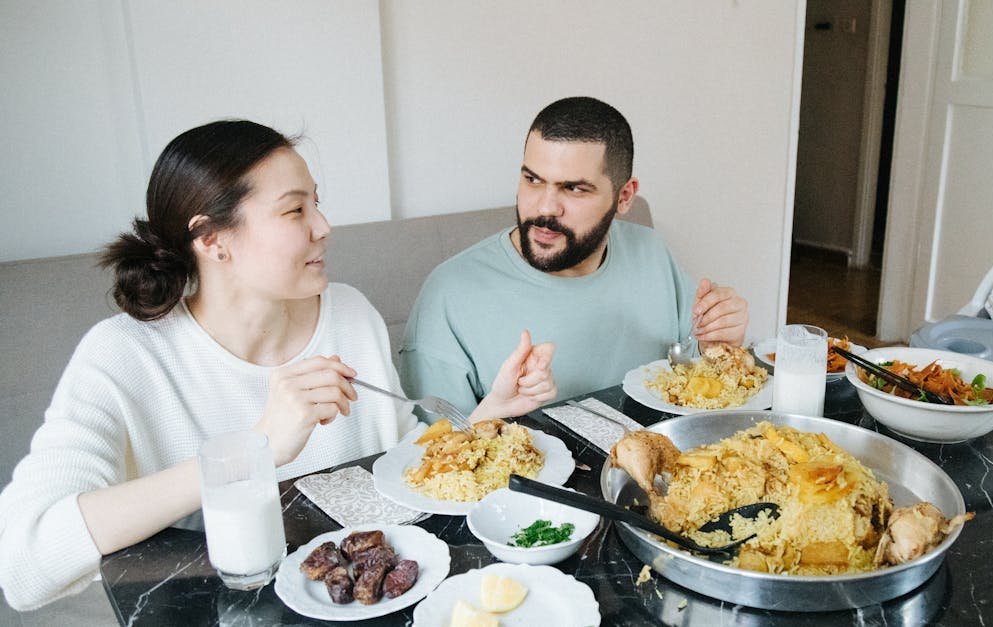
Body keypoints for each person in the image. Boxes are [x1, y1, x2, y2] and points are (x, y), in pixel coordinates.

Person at [0, 120, 554, 610]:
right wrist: (253, 449)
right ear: (212, 239)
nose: (323, 226)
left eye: (317, 202)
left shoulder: (349, 313)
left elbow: (404, 466)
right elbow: (24, 567)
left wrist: (488, 417)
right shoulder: (123, 356)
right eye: (295, 210)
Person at [399, 96, 748, 412]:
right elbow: (436, 457)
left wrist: (719, 343)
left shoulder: (650, 251)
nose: (545, 208)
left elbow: (693, 373)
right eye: (533, 180)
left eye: (574, 189)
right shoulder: (450, 293)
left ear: (624, 196)